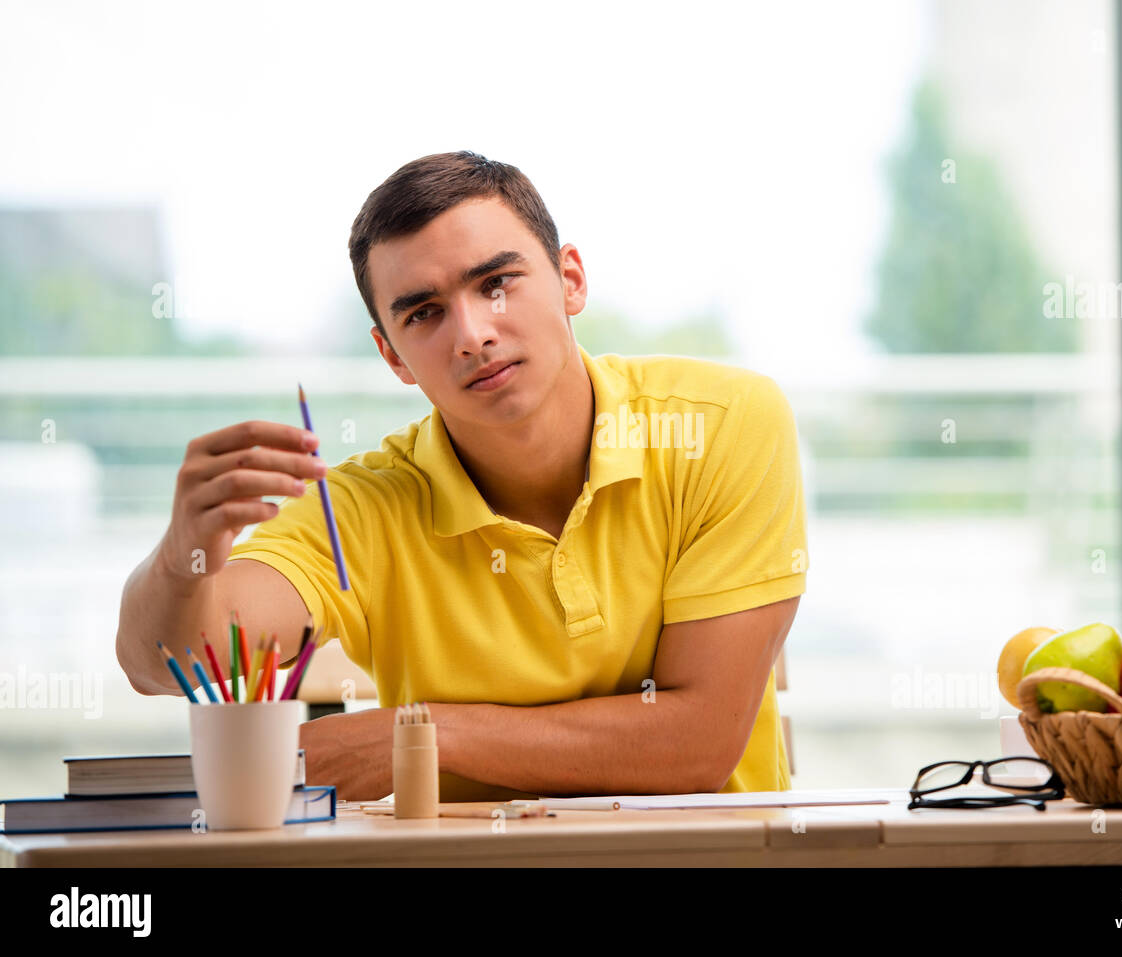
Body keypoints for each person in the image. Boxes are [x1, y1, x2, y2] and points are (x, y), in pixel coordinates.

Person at [116, 151, 810, 802]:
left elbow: (694, 743)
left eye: (496, 284)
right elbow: (168, 664)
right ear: (393, 356)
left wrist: (416, 735)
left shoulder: (723, 424)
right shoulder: (361, 505)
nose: (472, 333)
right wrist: (185, 553)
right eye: (425, 313)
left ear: (570, 279)